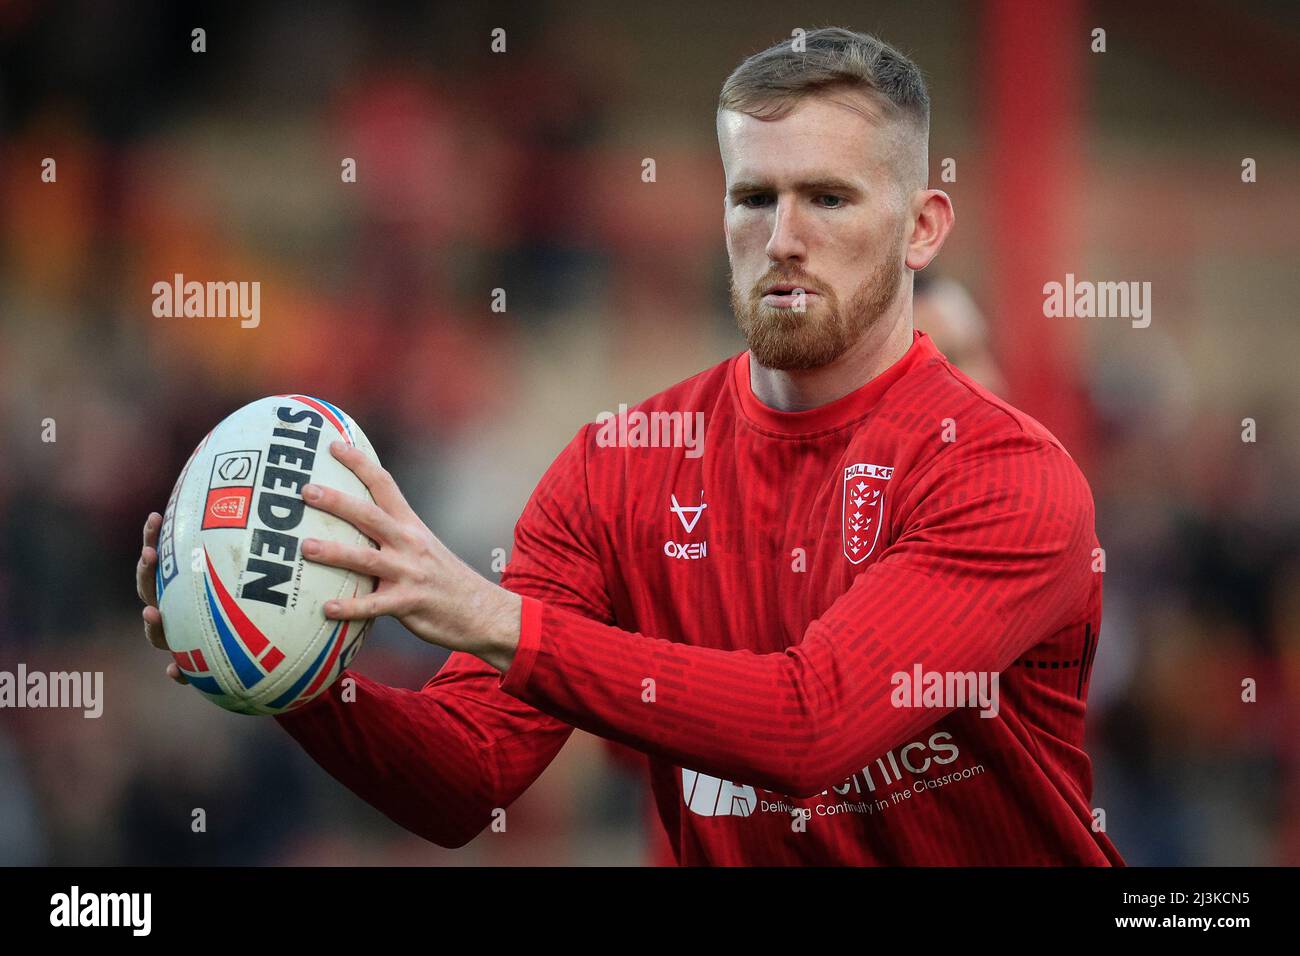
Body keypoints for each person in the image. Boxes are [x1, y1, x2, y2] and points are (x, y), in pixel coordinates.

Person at [137, 27, 1122, 865]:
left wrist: (498, 617)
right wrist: (282, 661)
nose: (783, 237)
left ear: (921, 229)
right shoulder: (618, 467)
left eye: (828, 198)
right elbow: (467, 774)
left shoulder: (1009, 474)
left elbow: (812, 725)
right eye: (753, 197)